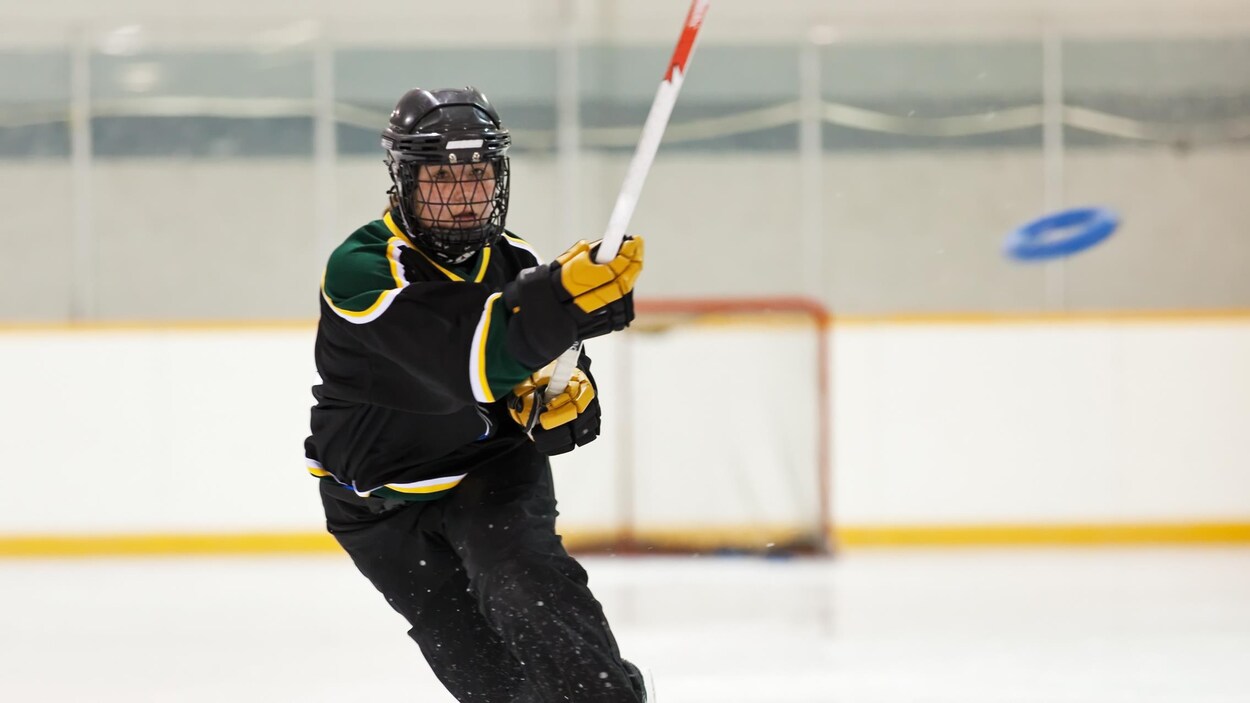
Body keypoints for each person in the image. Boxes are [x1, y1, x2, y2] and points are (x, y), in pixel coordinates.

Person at [304, 85, 650, 702]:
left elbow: (556, 392)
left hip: (487, 475)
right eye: (441, 175)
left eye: (480, 174)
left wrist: (564, 404)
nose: (464, 195)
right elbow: (461, 361)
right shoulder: (363, 267)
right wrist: (560, 301)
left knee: (527, 586)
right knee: (498, 687)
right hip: (379, 513)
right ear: (404, 179)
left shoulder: (519, 263)